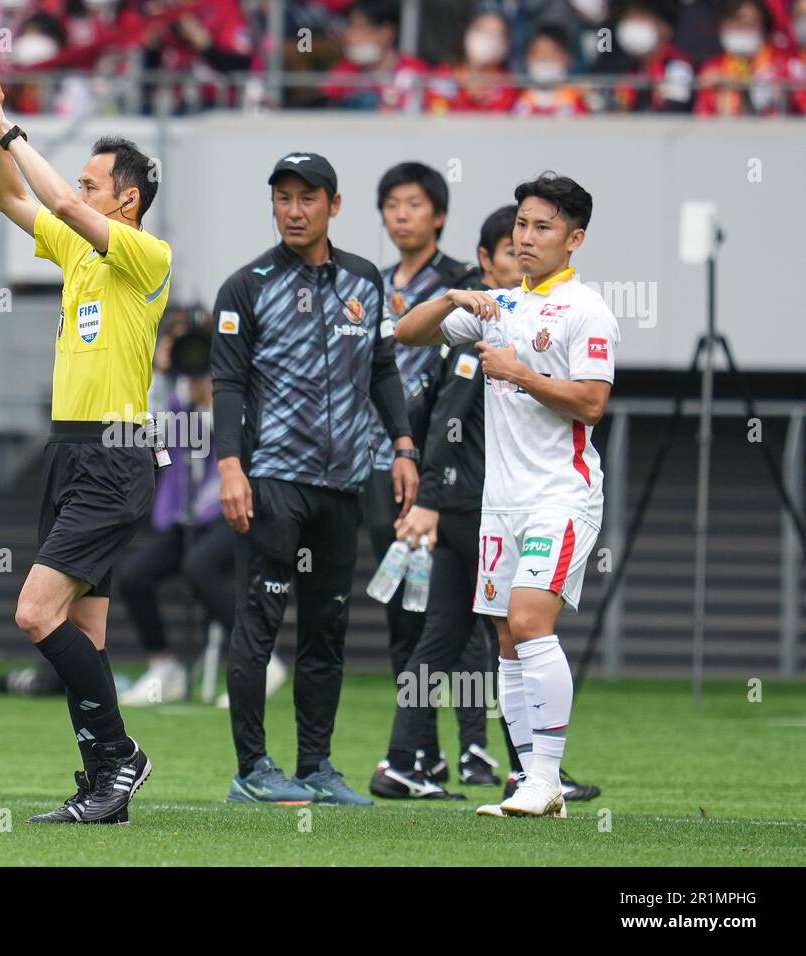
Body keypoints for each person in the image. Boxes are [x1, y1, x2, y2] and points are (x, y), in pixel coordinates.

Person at [0, 64, 170, 825]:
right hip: (71, 453)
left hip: (113, 457)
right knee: (84, 632)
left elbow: (48, 194)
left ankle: (122, 759)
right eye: (80, 180)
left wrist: (13, 130)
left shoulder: (147, 255)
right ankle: (103, 789)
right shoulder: (80, 250)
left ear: (128, 200)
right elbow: (12, 197)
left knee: (33, 613)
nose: (79, 191)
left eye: (94, 182)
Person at [395, 172, 618, 818]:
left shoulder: (587, 310)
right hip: (502, 502)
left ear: (574, 239)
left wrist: (521, 372)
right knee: (509, 642)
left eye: (542, 226)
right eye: (522, 224)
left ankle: (545, 777)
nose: (526, 237)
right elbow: (407, 331)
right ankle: (532, 783)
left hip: (562, 495)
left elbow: (593, 403)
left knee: (528, 621)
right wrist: (453, 298)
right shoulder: (500, 306)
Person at [212, 152, 416, 806]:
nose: (294, 210)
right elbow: (227, 385)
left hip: (345, 485)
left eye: (307, 198)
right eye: (283, 198)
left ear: (334, 203)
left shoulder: (364, 281)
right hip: (272, 480)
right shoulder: (247, 285)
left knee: (327, 631)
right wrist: (229, 467)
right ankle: (251, 769)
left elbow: (383, 367)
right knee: (259, 623)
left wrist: (405, 445)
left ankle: (316, 768)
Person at [366, 161, 476, 784]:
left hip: (436, 470)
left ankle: (463, 749)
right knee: (402, 613)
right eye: (391, 204)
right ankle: (422, 753)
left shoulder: (460, 283)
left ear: (439, 214)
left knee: (449, 617)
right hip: (376, 466)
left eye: (413, 203)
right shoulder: (370, 283)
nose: (401, 214)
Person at [115, 325, 237, 706]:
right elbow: (156, 445)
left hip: (226, 512)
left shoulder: (232, 388)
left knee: (199, 569)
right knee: (134, 578)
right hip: (183, 518)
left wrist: (211, 399)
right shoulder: (171, 396)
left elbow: (237, 438)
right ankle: (163, 666)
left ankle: (255, 658)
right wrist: (163, 380)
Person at [695, 0, 806, 115]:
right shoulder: (713, 67)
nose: (741, 27)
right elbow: (703, 117)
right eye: (734, 21)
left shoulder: (788, 63)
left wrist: (749, 84)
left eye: (750, 22)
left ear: (764, 26)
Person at [319, 0, 429, 111]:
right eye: (349, 28)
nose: (350, 37)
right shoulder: (344, 72)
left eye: (359, 28)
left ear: (386, 33)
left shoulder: (417, 73)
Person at [593, 0, 695, 113]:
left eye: (639, 17)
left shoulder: (678, 66)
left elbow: (673, 112)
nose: (631, 24)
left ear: (665, 28)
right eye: (628, 17)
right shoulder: (631, 68)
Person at [512, 23, 589, 116]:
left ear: (567, 58)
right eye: (540, 54)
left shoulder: (576, 101)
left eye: (552, 54)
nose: (545, 60)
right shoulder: (518, 102)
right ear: (528, 58)